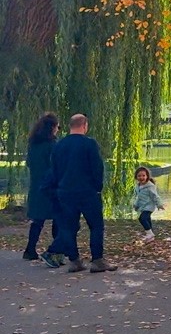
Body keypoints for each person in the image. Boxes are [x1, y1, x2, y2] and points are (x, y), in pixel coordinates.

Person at [44, 114, 117, 273]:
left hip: (65, 192)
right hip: (87, 192)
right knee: (96, 226)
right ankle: (97, 260)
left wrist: (58, 188)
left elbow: (54, 170)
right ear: (84, 125)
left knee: (69, 227)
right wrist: (98, 187)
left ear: (70, 126)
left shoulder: (59, 145)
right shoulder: (89, 144)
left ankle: (75, 261)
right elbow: (97, 168)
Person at [23, 113, 61, 264]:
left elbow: (29, 163)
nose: (58, 129)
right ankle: (55, 251)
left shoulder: (33, 144)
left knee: (38, 220)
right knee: (57, 218)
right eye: (57, 126)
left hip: (36, 186)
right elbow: (55, 166)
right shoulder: (52, 145)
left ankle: (30, 249)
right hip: (51, 186)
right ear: (52, 128)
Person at [132, 166, 164, 242]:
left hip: (149, 206)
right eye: (139, 176)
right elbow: (138, 197)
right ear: (136, 177)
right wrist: (136, 205)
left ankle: (149, 234)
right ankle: (151, 236)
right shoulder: (138, 186)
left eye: (143, 175)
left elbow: (155, 196)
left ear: (147, 176)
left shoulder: (150, 186)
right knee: (147, 219)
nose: (141, 177)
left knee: (142, 218)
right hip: (142, 206)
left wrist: (159, 204)